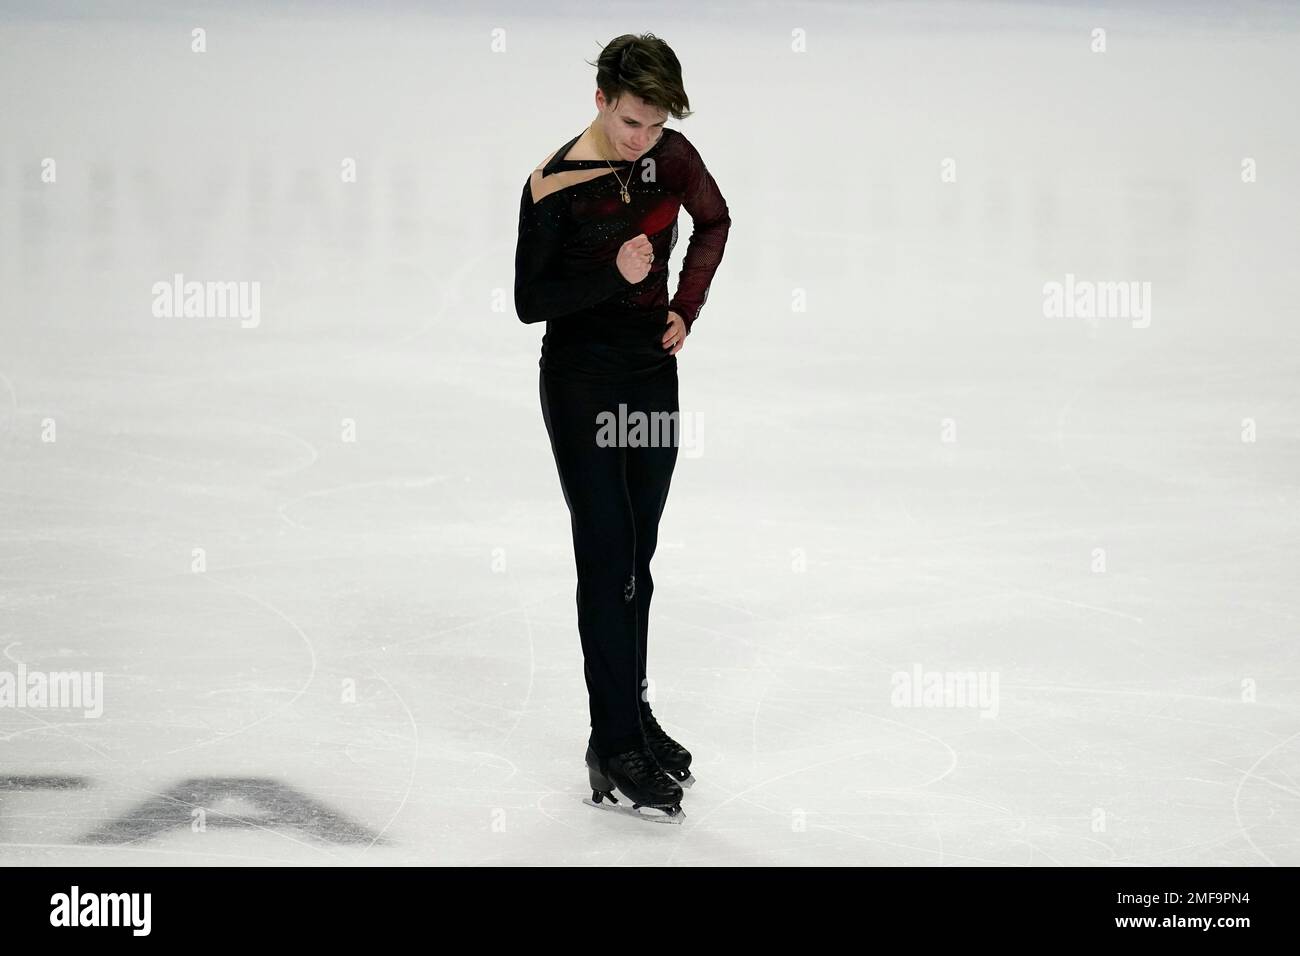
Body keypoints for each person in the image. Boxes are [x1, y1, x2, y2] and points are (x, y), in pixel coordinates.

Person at [514, 33, 731, 823]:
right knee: (606, 554)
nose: (645, 139)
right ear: (601, 99)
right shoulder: (553, 187)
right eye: (633, 121)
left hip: (650, 379)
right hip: (581, 384)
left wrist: (684, 308)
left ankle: (633, 717)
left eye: (657, 124)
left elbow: (714, 221)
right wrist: (614, 272)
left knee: (639, 553)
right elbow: (529, 300)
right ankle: (612, 739)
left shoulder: (673, 160)